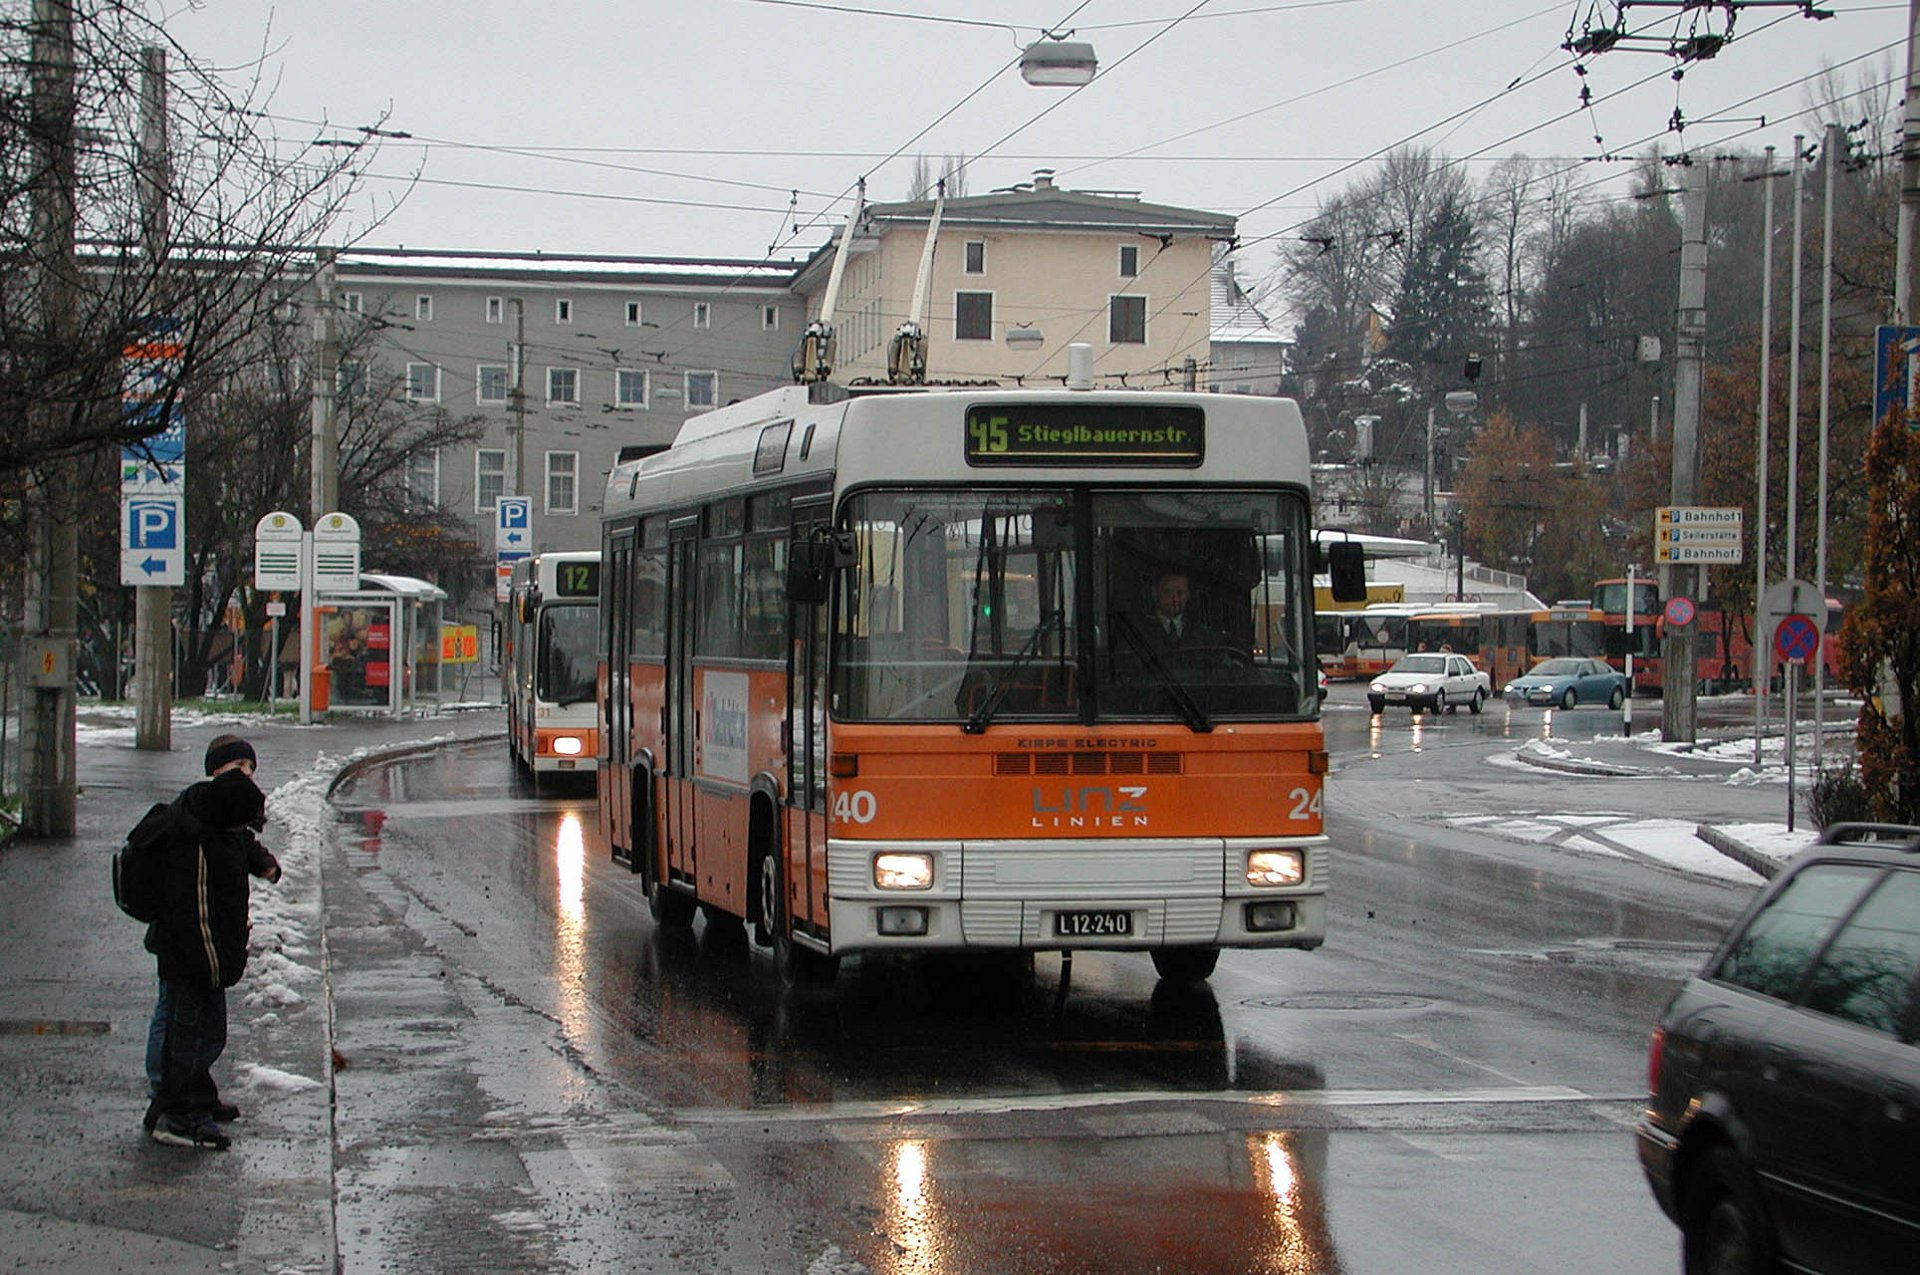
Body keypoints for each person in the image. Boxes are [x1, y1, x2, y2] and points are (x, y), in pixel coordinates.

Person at [142, 734, 281, 1150]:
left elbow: (242, 846)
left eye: (250, 769)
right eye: (238, 769)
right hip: (190, 955)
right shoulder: (196, 828)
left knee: (208, 1033)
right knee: (180, 1032)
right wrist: (213, 961)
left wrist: (265, 865)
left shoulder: (225, 822)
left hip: (210, 955)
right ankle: (172, 1111)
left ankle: (196, 1098)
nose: (246, 777)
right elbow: (196, 906)